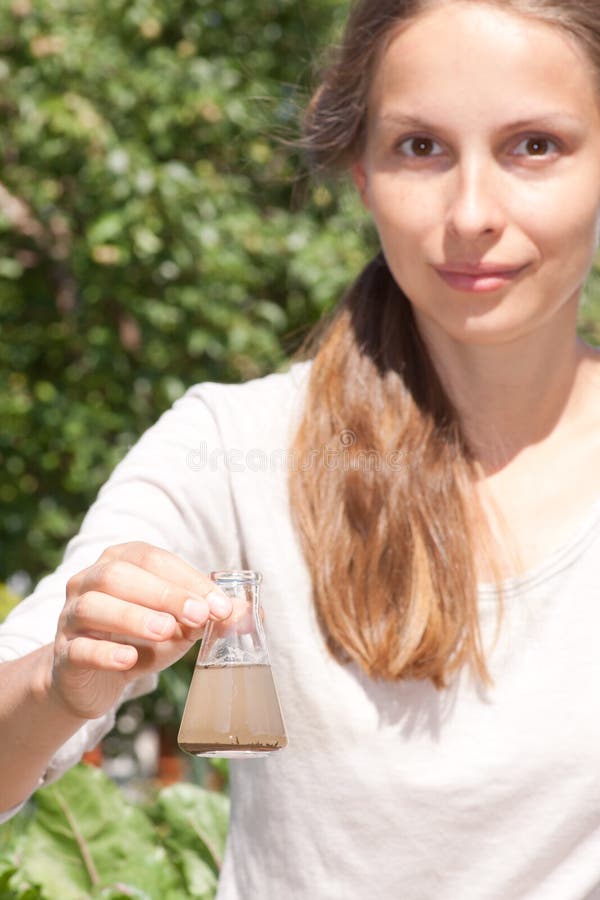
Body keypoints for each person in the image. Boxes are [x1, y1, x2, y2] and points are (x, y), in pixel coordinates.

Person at [3, 0, 600, 895]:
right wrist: (62, 682)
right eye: (421, 148)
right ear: (361, 173)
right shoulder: (231, 448)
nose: (472, 212)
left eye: (535, 146)